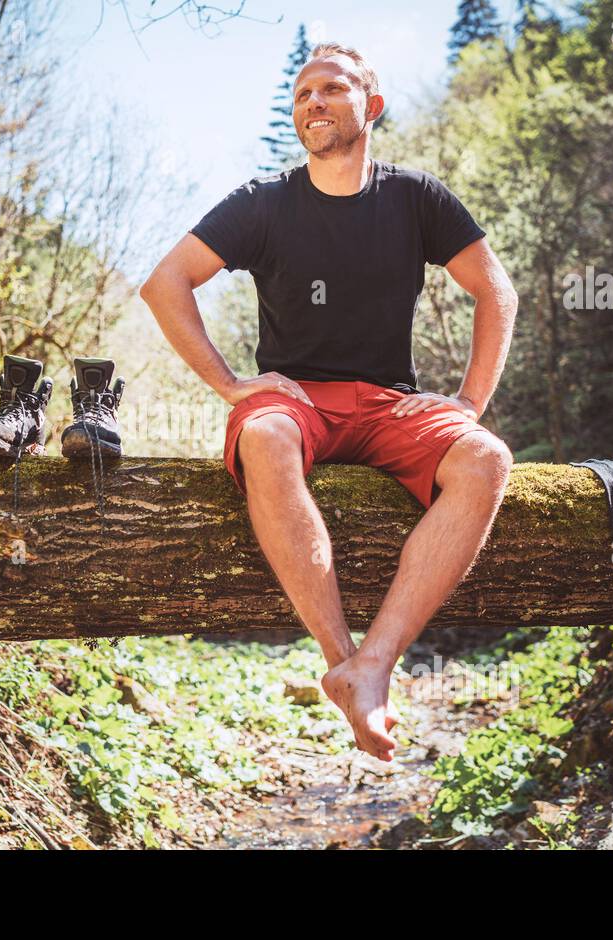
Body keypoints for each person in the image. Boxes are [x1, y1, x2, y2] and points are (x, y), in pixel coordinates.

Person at [138, 42, 519, 762]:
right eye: (302, 93)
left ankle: (376, 663)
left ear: (370, 106)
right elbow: (166, 283)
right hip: (294, 400)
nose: (312, 101)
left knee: (487, 459)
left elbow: (496, 289)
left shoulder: (415, 197)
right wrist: (229, 385)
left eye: (332, 88)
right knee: (265, 437)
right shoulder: (263, 201)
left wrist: (469, 400)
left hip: (389, 407)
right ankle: (340, 658)